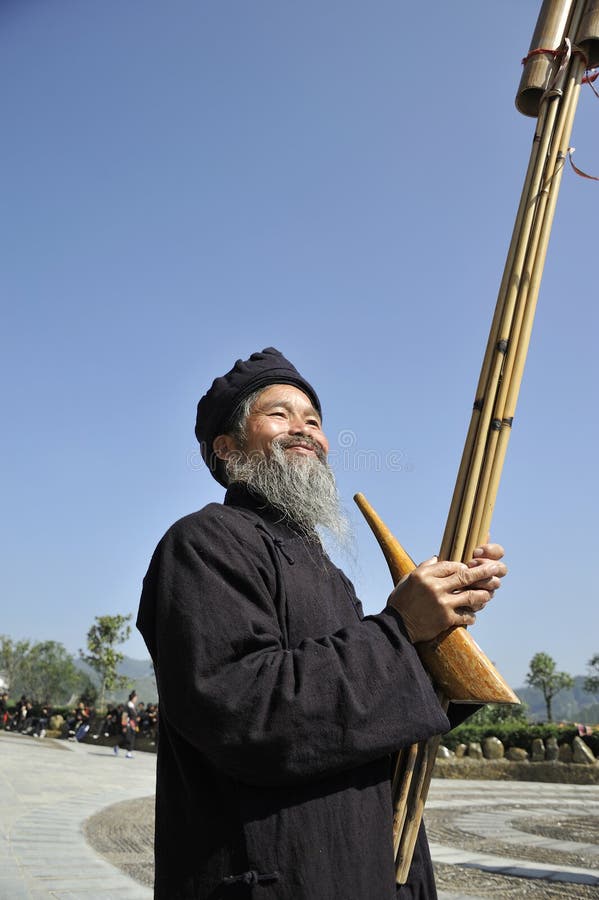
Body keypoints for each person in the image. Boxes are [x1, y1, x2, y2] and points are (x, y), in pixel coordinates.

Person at [137, 347, 507, 899]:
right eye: (280, 415)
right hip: (277, 875)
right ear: (229, 450)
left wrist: (440, 633)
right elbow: (247, 712)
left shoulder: (326, 571)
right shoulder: (203, 544)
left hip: (368, 867)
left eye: (314, 420)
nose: (305, 430)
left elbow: (378, 714)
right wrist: (401, 629)